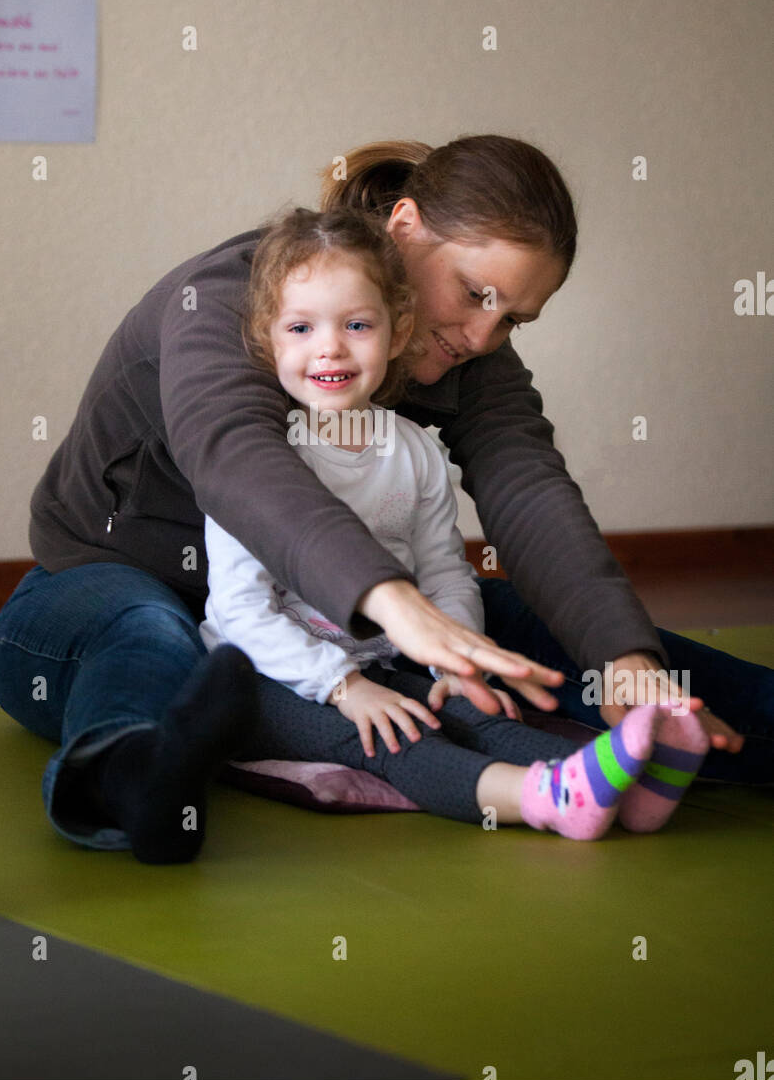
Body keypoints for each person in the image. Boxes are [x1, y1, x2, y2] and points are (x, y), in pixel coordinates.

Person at [0, 135, 772, 864]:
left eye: (513, 318)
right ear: (404, 226)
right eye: (474, 293)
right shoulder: (239, 297)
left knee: (497, 629)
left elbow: (530, 489)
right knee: (159, 638)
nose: (482, 335)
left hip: (321, 615)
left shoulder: (458, 342)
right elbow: (235, 455)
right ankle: (128, 785)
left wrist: (625, 660)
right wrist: (393, 603)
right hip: (106, 583)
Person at [199, 204, 713, 838]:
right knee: (396, 738)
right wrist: (343, 687)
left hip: (379, 660)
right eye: (301, 328)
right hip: (269, 675)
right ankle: (542, 799)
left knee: (478, 712)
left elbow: (444, 573)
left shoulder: (415, 451)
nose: (329, 345)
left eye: (357, 324)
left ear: (396, 329)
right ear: (266, 337)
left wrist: (458, 669)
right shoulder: (267, 460)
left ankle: (632, 787)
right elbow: (241, 612)